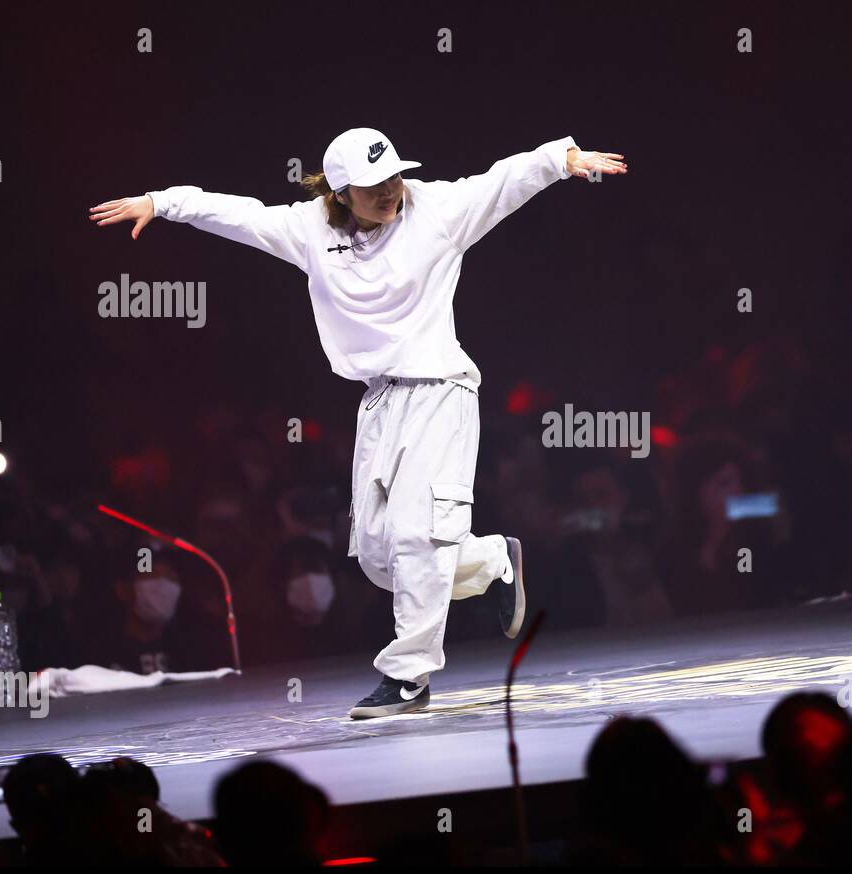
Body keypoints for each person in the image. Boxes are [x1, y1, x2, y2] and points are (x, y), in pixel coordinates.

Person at [91, 130, 628, 716]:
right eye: (374, 186)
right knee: (377, 556)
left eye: (395, 176)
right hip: (378, 404)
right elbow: (238, 215)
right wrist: (161, 203)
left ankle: (409, 677)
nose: (391, 191)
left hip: (440, 393)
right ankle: (493, 561)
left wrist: (561, 160)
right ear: (341, 193)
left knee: (416, 536)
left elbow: (502, 181)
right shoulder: (309, 231)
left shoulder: (436, 210)